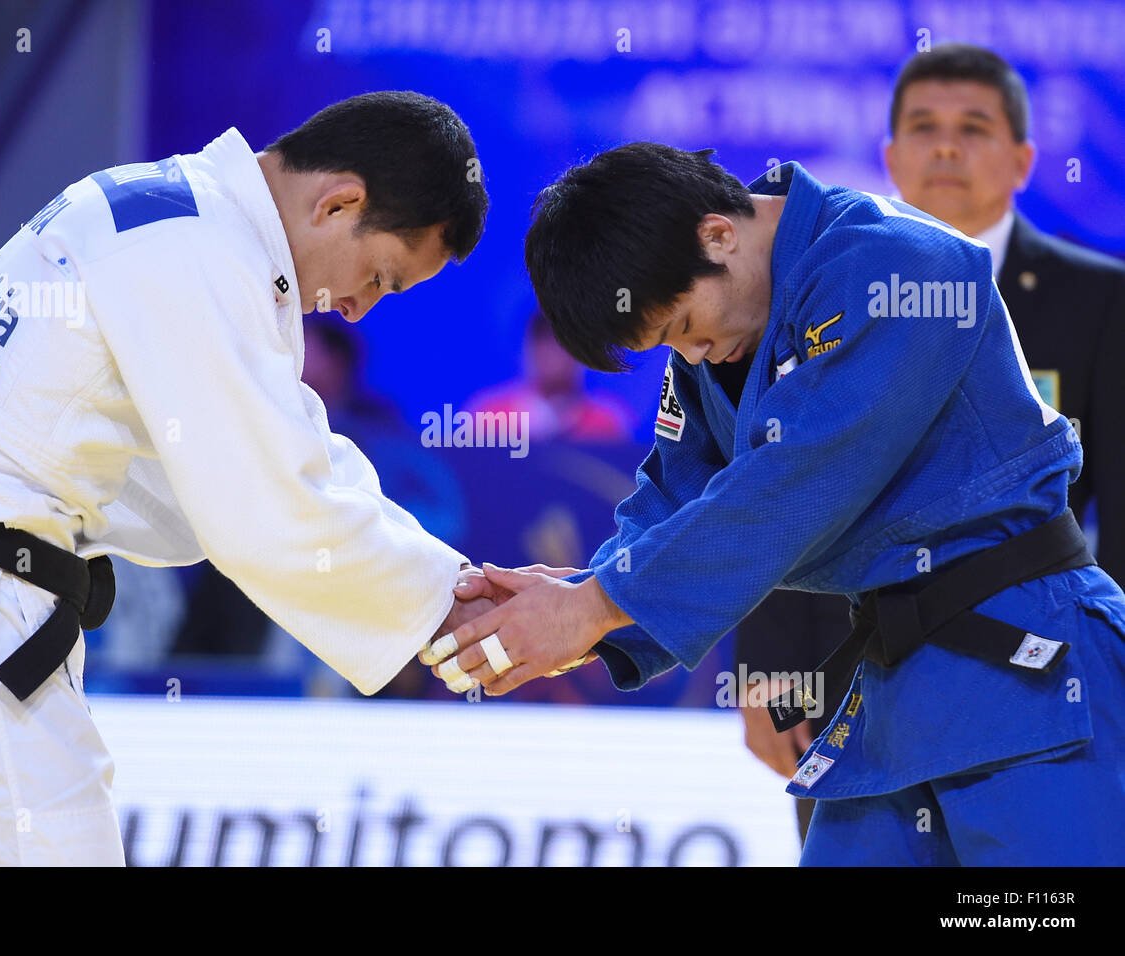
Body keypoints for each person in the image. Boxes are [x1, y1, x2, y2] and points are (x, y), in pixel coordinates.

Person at [0, 91, 494, 865]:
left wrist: (439, 584)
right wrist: (450, 602)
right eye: (381, 277)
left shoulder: (165, 206)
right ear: (341, 201)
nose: (358, 309)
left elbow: (232, 468)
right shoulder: (206, 251)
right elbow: (271, 498)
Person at [428, 142, 1125, 865]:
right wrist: (579, 606)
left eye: (682, 330)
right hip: (892, 687)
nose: (692, 356)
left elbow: (796, 480)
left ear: (718, 234)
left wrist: (594, 604)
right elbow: (676, 492)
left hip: (1029, 665)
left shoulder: (895, 267)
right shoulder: (724, 323)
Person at [736, 42, 1125, 846]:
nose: (945, 146)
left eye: (973, 127)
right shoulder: (813, 291)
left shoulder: (1101, 301)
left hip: (1046, 680)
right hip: (850, 680)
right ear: (890, 155)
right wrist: (767, 665)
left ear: (1022, 159)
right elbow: (779, 483)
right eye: (924, 126)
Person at [465, 310, 633, 442]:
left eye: (564, 343)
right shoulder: (489, 417)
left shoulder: (606, 424)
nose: (553, 353)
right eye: (543, 342)